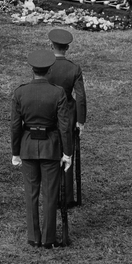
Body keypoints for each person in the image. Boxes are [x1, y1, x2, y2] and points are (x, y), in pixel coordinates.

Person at [11, 50, 72, 248]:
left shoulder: (20, 92)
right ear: (49, 69)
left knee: (31, 193)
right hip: (51, 147)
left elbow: (14, 125)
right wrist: (67, 153)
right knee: (50, 192)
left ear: (32, 69)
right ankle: (48, 238)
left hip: (28, 146)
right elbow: (64, 126)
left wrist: (15, 151)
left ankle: (33, 236)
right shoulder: (58, 92)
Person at [46, 29, 86, 207]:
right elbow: (81, 96)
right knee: (67, 151)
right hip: (68, 114)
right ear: (67, 47)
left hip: (48, 113)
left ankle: (52, 194)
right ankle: (67, 196)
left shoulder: (45, 65)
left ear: (51, 45)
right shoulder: (73, 68)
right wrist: (81, 120)